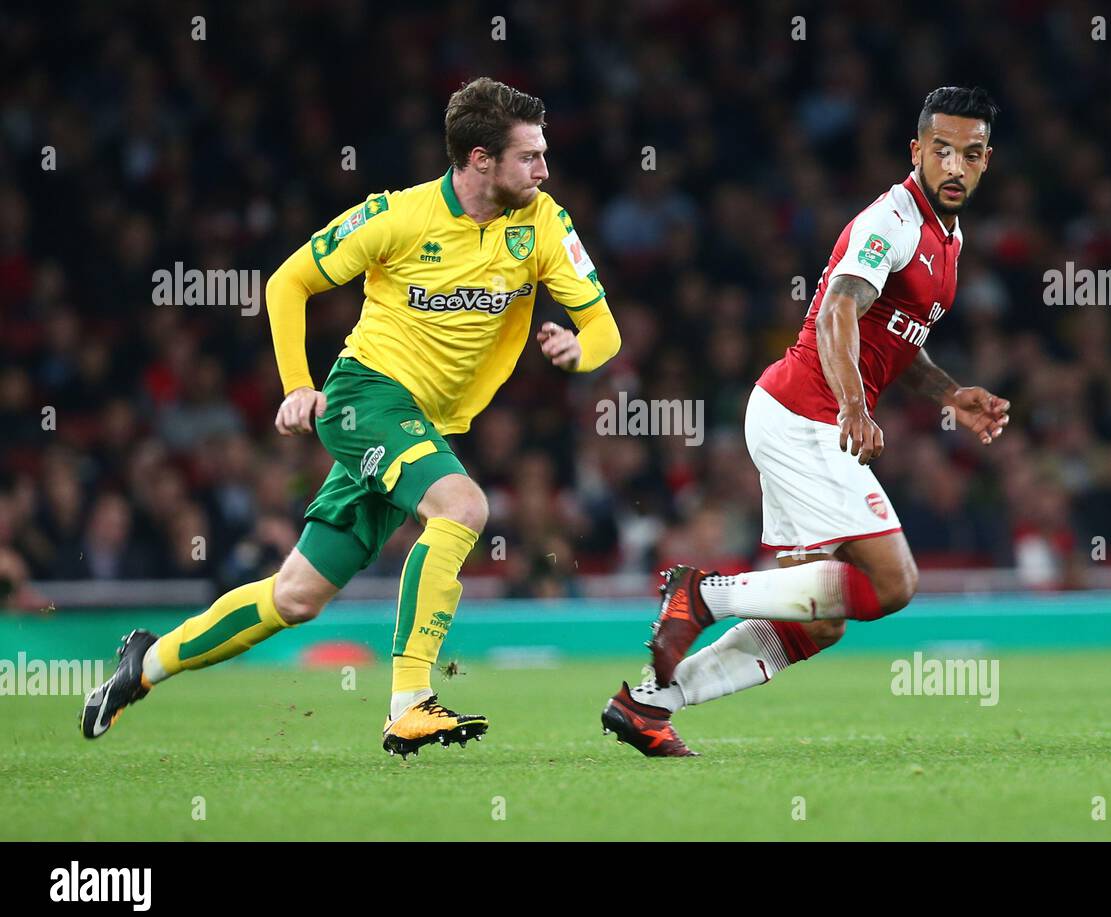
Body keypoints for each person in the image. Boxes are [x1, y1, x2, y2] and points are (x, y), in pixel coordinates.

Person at [83, 77, 620, 758]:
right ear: (480, 159)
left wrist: (577, 352)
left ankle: (146, 662)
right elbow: (288, 281)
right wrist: (297, 386)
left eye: (543, 155)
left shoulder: (542, 222)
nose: (544, 170)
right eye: (529, 156)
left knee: (296, 596)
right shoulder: (395, 217)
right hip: (365, 397)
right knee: (462, 506)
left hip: (422, 425)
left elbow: (604, 329)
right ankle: (410, 702)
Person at [602, 86, 1008, 757]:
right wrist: (853, 405)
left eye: (970, 154)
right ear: (916, 151)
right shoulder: (892, 223)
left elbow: (895, 340)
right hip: (805, 414)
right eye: (941, 150)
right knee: (893, 583)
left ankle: (648, 702)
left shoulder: (949, 237)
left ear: (986, 160)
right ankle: (704, 595)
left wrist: (950, 392)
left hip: (793, 413)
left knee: (817, 619)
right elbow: (838, 311)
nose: (954, 166)